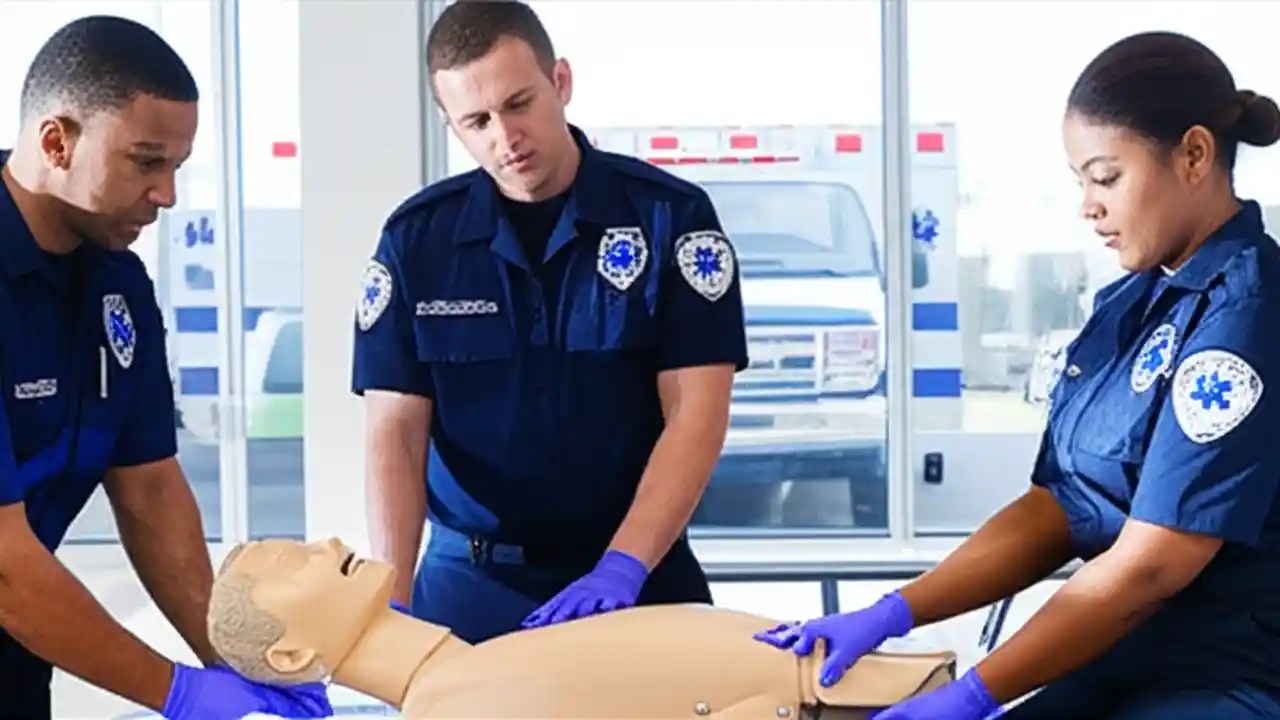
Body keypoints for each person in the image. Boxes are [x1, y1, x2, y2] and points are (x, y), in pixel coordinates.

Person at [756, 30, 1280, 720]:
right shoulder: (1132, 306)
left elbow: (1153, 565)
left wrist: (971, 695)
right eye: (1081, 182)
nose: (1088, 206)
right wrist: (893, 611)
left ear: (1193, 155)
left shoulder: (1246, 315)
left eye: (1106, 177)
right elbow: (1061, 507)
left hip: (1227, 679)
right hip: (1124, 660)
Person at [351, 0, 747, 644]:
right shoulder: (417, 241)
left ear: (560, 82)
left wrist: (623, 566)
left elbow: (697, 413)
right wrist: (391, 600)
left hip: (638, 572)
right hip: (470, 583)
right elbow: (395, 432)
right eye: (477, 121)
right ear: (452, 125)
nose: (506, 138)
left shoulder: (670, 219)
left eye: (519, 104)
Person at [0, 15, 331, 719]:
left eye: (177, 166)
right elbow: (3, 568)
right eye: (146, 162)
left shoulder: (116, 282)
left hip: (19, 656)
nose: (168, 195)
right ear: (57, 142)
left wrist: (230, 660)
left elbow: (149, 488)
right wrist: (176, 692)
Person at [206, 536, 959, 719]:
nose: (330, 544)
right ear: (292, 654)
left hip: (856, 681)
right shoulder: (458, 704)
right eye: (294, 561)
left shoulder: (474, 673)